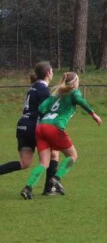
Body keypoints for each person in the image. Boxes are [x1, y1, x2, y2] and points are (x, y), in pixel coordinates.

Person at [22, 71, 102, 199]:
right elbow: (80, 100)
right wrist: (94, 115)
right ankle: (56, 179)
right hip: (54, 128)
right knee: (73, 155)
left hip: (41, 127)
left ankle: (28, 188)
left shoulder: (56, 94)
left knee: (44, 163)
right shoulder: (74, 92)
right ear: (75, 82)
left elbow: (42, 108)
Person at [0, 62, 62, 196]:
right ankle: (49, 189)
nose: (52, 73)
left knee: (24, 162)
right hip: (33, 126)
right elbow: (45, 112)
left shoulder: (33, 87)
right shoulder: (43, 90)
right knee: (54, 153)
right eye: (51, 71)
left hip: (22, 125)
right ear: (48, 73)